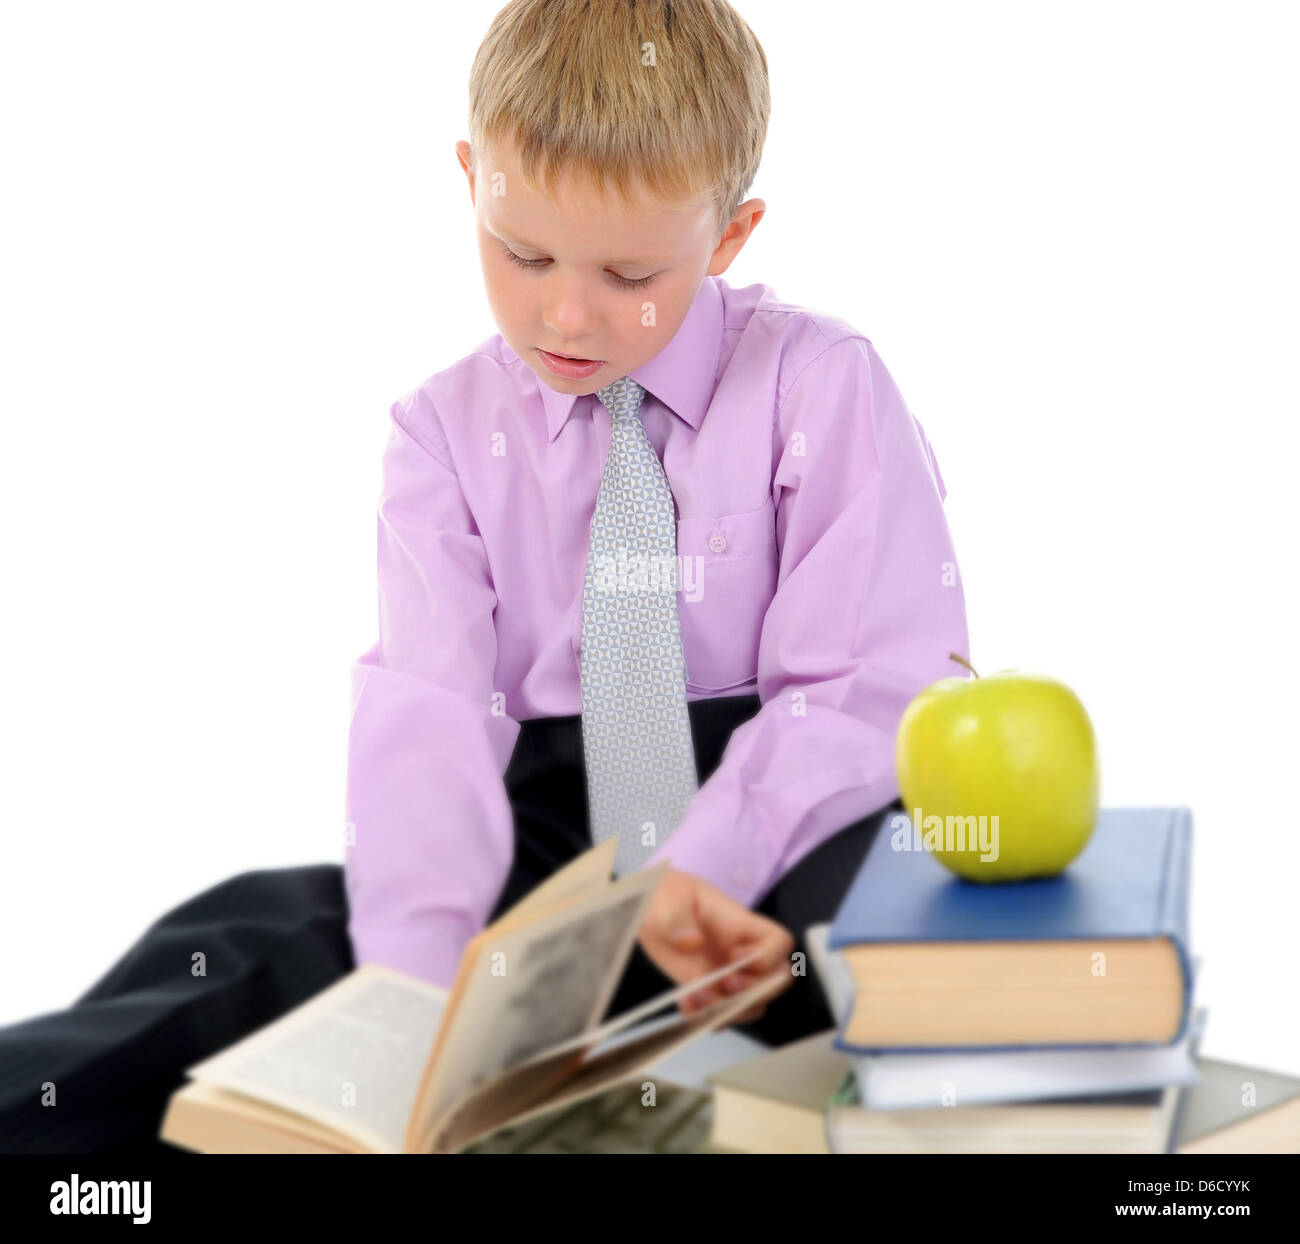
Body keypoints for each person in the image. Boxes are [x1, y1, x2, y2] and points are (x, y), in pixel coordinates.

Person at [0, 0, 968, 1154]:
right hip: (557, 830)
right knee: (259, 936)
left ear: (728, 235)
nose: (566, 312)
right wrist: (414, 991)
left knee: (878, 930)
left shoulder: (821, 383)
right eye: (522, 254)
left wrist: (698, 870)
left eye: (628, 271)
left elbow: (861, 685)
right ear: (471, 181)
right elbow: (429, 712)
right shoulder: (442, 433)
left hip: (776, 816)